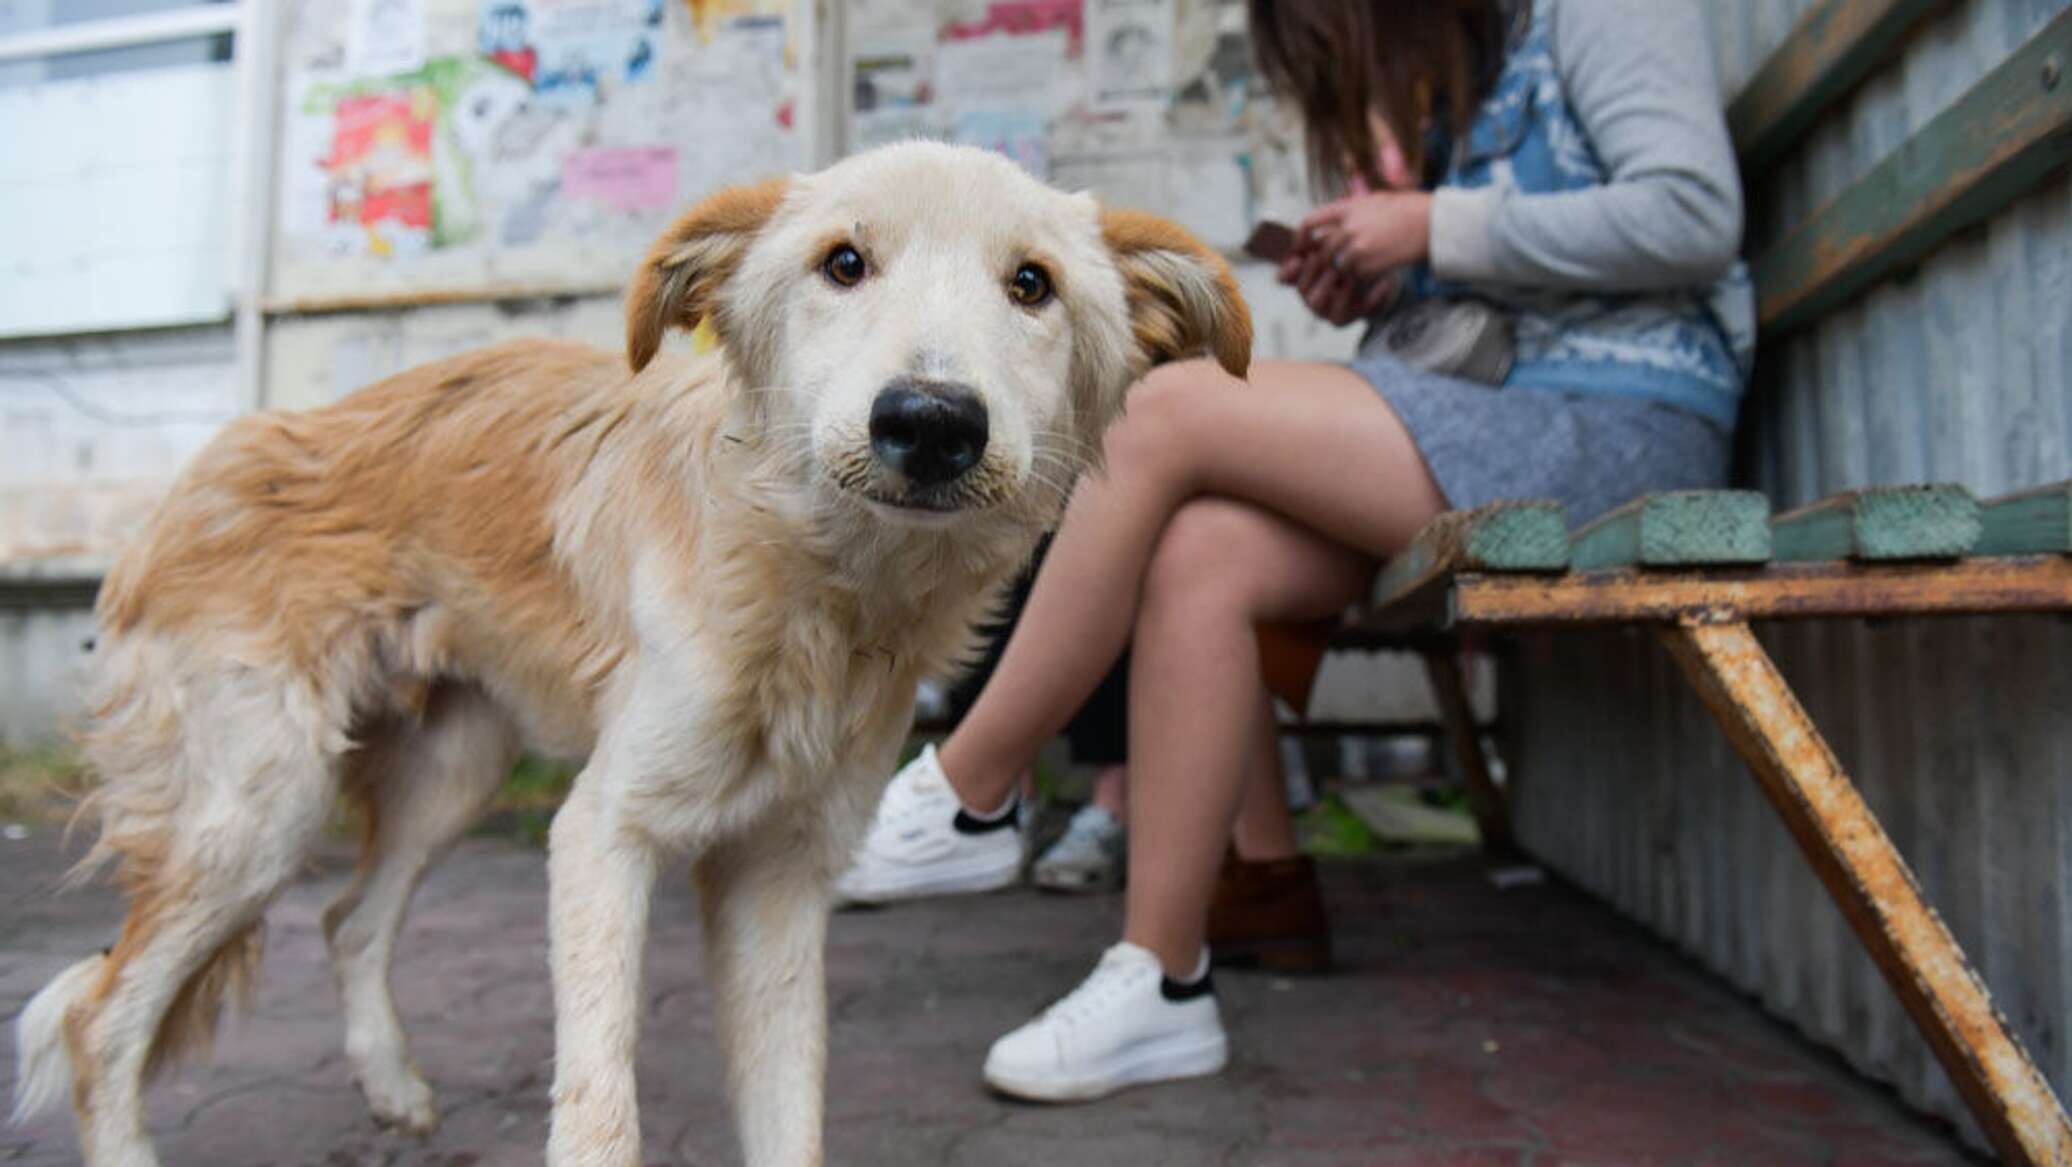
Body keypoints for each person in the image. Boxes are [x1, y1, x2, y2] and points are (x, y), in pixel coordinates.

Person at [837, 0, 1752, 1102]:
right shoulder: (1479, 65)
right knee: (1204, 550)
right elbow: (1510, 268)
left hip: (1620, 423)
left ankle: (965, 792)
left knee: (1159, 411)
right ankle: (1159, 980)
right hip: (1499, 418)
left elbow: (1692, 213)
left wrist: (1429, 229)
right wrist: (1387, 275)